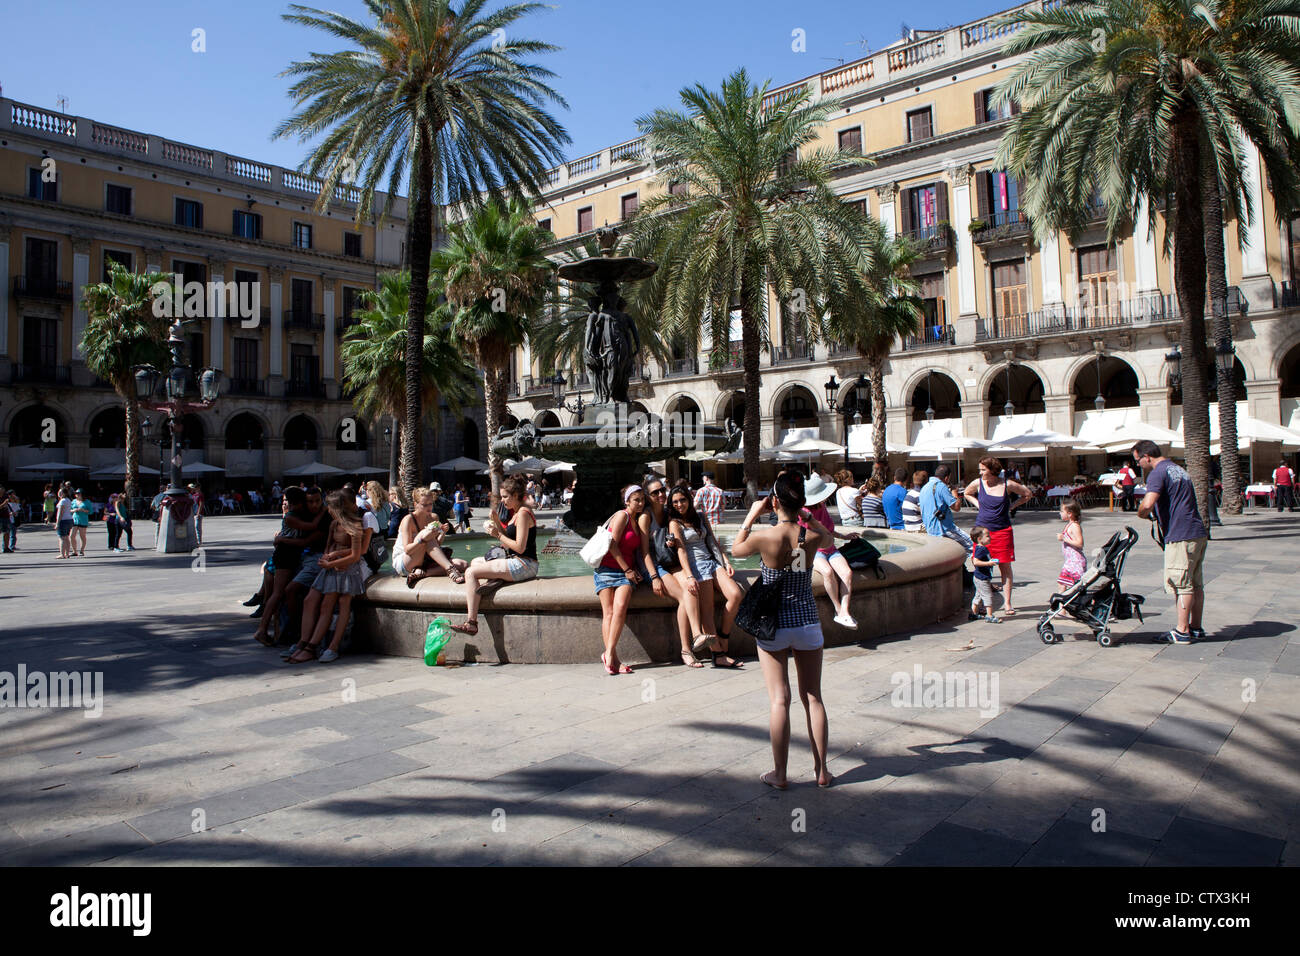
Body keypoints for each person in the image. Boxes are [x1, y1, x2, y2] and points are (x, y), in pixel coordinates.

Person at [730, 472, 832, 789]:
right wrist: (805, 517)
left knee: (780, 700)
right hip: (806, 623)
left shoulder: (766, 537)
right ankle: (822, 772)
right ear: (801, 502)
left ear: (773, 502)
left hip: (773, 627)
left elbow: (736, 549)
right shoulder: (809, 538)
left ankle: (781, 774)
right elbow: (829, 537)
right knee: (813, 697)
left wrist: (751, 515)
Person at [1134, 440, 1208, 644]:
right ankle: (1196, 627)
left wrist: (1141, 513)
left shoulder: (1157, 473)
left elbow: (1148, 503)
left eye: (1138, 460)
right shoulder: (1178, 469)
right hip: (1196, 531)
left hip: (1180, 534)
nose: (1138, 464)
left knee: (1181, 583)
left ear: (1146, 456)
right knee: (1195, 583)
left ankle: (1182, 631)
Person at [449, 477, 538, 636]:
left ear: (516, 494)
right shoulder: (516, 512)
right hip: (514, 560)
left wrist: (497, 535)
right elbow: (508, 539)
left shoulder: (523, 513)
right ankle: (497, 579)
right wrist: (497, 522)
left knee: (470, 573)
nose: (502, 500)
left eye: (505, 496)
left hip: (525, 564)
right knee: (475, 562)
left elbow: (520, 547)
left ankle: (472, 622)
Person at [669, 486, 745, 668]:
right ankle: (718, 654)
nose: (680, 504)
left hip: (712, 562)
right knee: (708, 612)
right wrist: (688, 576)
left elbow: (711, 539)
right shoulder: (674, 523)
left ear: (689, 499)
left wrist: (725, 560)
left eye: (683, 500)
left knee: (735, 595)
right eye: (675, 502)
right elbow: (681, 552)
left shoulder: (700, 517)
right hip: (696, 567)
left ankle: (724, 636)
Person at [288, 491, 368, 663]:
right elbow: (329, 545)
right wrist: (327, 557)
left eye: (329, 506)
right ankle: (306, 643)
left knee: (331, 604)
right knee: (313, 601)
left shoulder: (354, 525)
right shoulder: (334, 524)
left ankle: (322, 646)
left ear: (337, 508)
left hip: (345, 569)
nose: (327, 509)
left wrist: (332, 560)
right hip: (331, 567)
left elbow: (356, 554)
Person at [639, 477, 704, 668]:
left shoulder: (669, 512)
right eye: (655, 492)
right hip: (653, 564)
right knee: (683, 596)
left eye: (662, 490)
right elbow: (643, 553)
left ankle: (697, 637)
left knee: (691, 586)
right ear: (647, 496)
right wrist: (653, 577)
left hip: (668, 561)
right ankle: (688, 647)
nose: (660, 494)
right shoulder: (646, 516)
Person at [587, 485, 647, 674]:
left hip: (626, 572)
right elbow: (612, 544)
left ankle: (609, 654)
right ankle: (615, 658)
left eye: (642, 499)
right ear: (627, 501)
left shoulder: (638, 521)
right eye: (636, 499)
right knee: (610, 613)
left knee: (620, 608)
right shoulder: (622, 516)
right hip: (607, 569)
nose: (641, 503)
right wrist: (628, 569)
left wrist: (634, 569)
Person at [961, 458, 1031, 614]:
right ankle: (980, 601)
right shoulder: (978, 483)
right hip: (982, 532)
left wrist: (1012, 506)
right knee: (979, 565)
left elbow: (1027, 494)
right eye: (980, 470)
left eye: (983, 470)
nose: (980, 473)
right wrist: (978, 504)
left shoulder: (1007, 484)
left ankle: (1007, 603)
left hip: (1002, 531)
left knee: (1005, 566)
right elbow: (966, 493)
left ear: (992, 470)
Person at [801, 474, 862, 629]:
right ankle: (838, 609)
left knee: (847, 573)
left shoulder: (822, 507)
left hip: (831, 549)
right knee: (828, 573)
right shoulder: (803, 513)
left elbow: (828, 530)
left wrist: (843, 536)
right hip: (815, 552)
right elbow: (800, 537)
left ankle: (844, 612)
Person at [393, 486, 467, 586]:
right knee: (425, 534)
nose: (429, 507)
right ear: (416, 504)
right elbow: (407, 550)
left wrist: (443, 532)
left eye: (431, 504)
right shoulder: (408, 520)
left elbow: (436, 545)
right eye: (424, 505)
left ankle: (424, 573)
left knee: (463, 564)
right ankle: (450, 569)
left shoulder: (434, 517)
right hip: (405, 561)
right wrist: (422, 540)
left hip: (424, 560)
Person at [969, 526, 1000, 628]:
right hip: (982, 578)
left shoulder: (981, 548)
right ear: (979, 539)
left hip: (979, 577)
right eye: (987, 536)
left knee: (978, 595)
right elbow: (975, 561)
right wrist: (988, 563)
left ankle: (973, 613)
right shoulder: (981, 549)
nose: (990, 538)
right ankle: (989, 615)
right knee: (988, 596)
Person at [1056, 498, 1085, 591]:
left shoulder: (1075, 526)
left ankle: (1062, 603)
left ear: (1070, 514)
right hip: (1070, 561)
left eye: (1061, 511)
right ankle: (1062, 603)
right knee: (1062, 584)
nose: (1060, 513)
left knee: (1065, 584)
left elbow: (1080, 543)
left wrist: (1064, 538)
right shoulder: (1070, 524)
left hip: (1075, 562)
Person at [882, 466, 909, 531]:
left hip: (890, 526)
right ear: (906, 480)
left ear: (894, 477)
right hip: (902, 527)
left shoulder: (886, 490)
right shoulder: (903, 492)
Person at [70, 489, 92, 556]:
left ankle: (82, 550)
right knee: (71, 535)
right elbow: (70, 510)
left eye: (78, 493)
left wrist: (83, 510)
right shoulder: (73, 501)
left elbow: (90, 511)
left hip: (83, 520)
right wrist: (74, 510)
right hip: (74, 519)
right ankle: (74, 551)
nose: (76, 494)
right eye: (76, 493)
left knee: (82, 536)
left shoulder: (87, 501)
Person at [54, 488, 74, 559]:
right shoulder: (68, 500)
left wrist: (57, 523)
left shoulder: (62, 501)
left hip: (63, 520)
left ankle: (62, 554)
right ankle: (67, 553)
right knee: (66, 537)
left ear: (64, 493)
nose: (59, 493)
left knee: (62, 538)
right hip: (69, 519)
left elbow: (60, 513)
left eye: (60, 492)